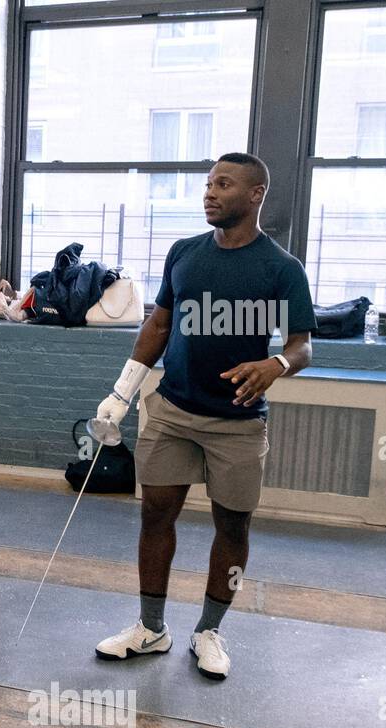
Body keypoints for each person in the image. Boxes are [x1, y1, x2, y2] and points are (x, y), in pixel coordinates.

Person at [88, 153, 315, 680]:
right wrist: (120, 394)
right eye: (208, 183)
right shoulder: (184, 254)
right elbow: (158, 326)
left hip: (237, 423)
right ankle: (151, 629)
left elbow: (303, 347)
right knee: (155, 515)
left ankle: (209, 631)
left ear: (256, 194)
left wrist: (276, 363)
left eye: (224, 184)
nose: (209, 192)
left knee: (232, 528)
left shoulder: (281, 269)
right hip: (172, 412)